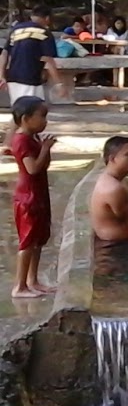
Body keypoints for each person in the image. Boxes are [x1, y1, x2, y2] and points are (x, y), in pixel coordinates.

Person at [9, 96, 56, 298]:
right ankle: (19, 286)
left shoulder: (34, 138)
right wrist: (45, 149)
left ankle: (33, 280)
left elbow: (44, 165)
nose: (45, 121)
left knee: (38, 239)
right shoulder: (21, 141)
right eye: (42, 116)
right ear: (26, 118)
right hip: (28, 196)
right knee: (27, 241)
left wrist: (46, 150)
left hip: (39, 193)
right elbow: (32, 168)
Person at [1, 5, 64, 105]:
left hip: (12, 78)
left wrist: (2, 76)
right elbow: (48, 61)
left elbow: (4, 54)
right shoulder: (44, 33)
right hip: (31, 79)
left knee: (19, 111)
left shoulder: (16, 30)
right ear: (47, 18)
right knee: (32, 112)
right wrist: (58, 84)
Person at [90, 136, 128, 245]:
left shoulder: (117, 181)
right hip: (116, 250)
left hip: (117, 245)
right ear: (112, 159)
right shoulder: (113, 189)